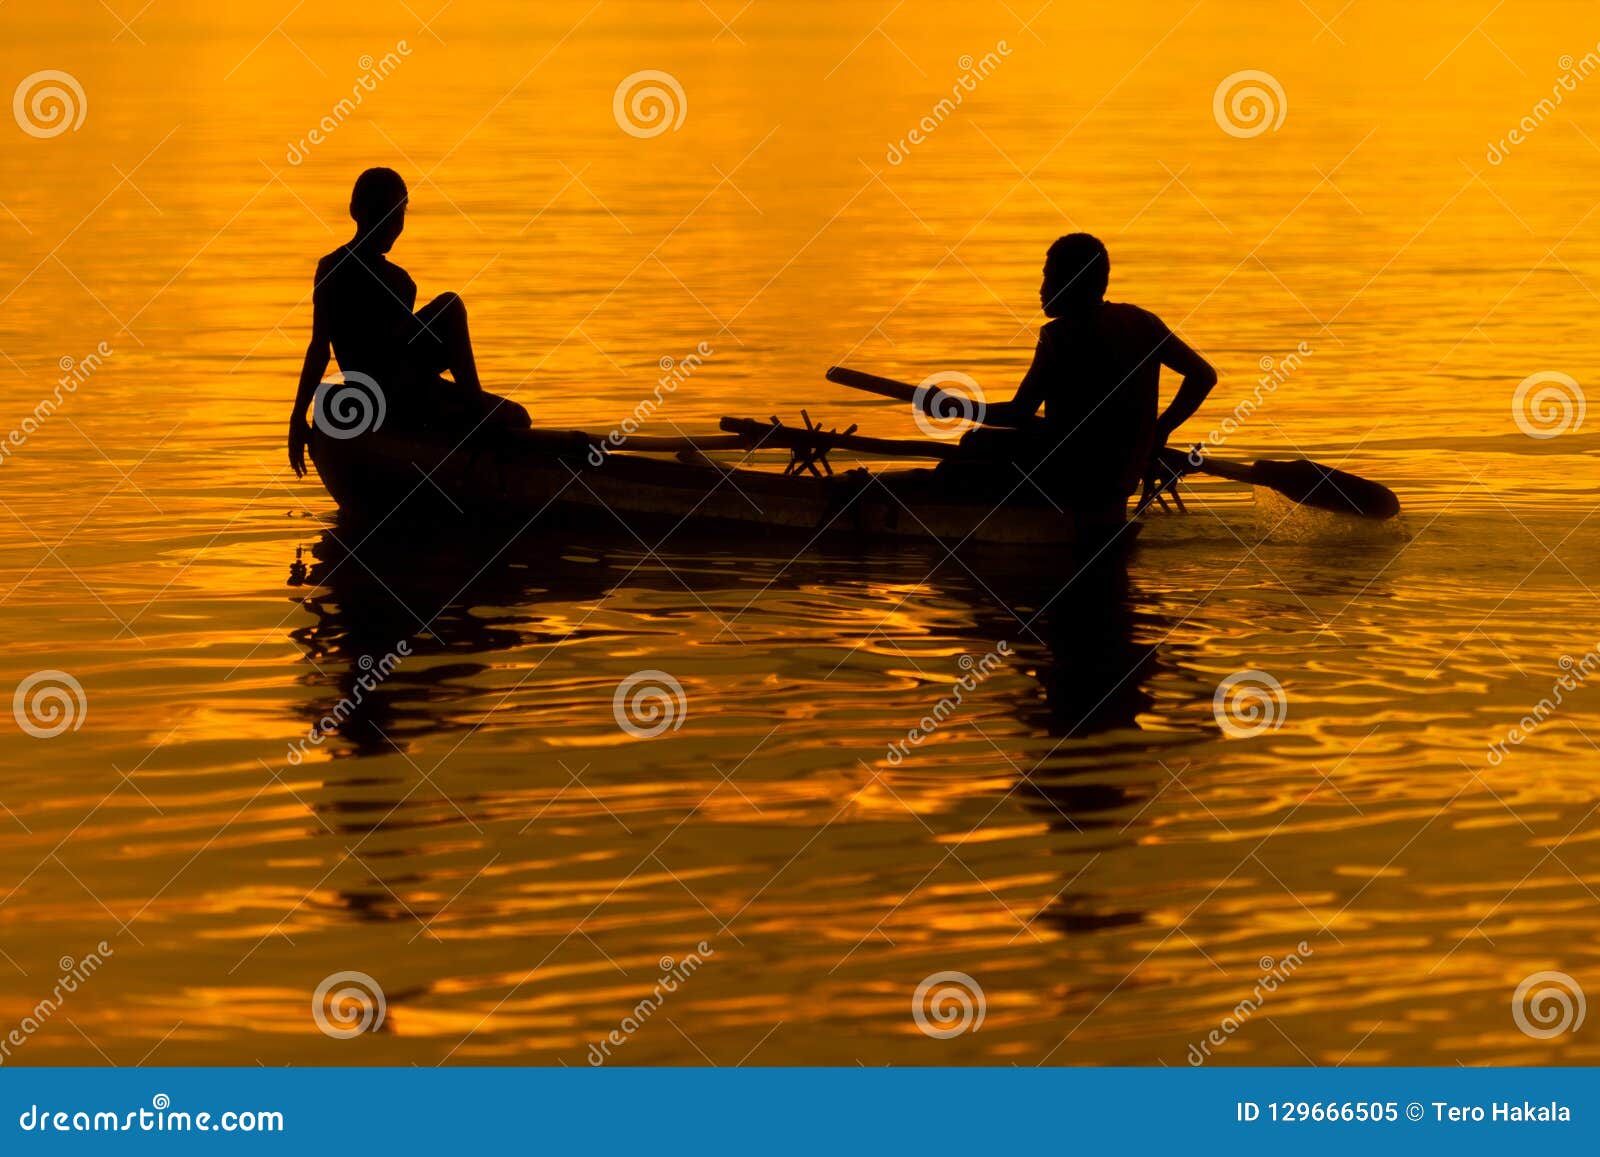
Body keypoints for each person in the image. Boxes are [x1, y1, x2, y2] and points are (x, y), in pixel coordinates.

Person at [288, 167, 529, 477]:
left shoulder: (401, 281)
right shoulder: (334, 270)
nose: (390, 225)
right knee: (450, 306)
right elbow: (319, 348)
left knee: (518, 417)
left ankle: (472, 416)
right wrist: (298, 417)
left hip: (411, 393)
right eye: (382, 213)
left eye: (396, 215)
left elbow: (416, 360)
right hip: (385, 396)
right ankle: (475, 412)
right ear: (355, 212)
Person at [975, 233, 1217, 519]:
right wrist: (1158, 431)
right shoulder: (1142, 321)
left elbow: (1019, 413)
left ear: (1074, 283)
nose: (1041, 290)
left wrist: (951, 407)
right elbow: (1203, 376)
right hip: (1120, 478)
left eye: (1050, 278)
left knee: (976, 442)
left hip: (1070, 476)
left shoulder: (1058, 336)